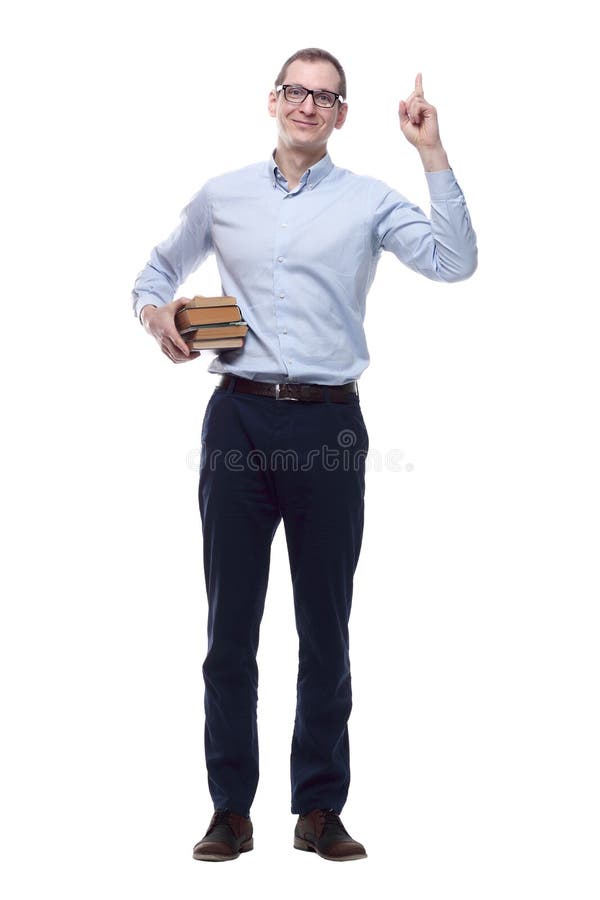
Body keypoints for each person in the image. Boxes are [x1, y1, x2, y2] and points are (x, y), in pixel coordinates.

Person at [131, 47, 477, 863]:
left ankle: (319, 807)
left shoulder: (367, 200)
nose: (309, 106)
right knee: (230, 629)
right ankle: (230, 810)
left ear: (343, 115)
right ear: (274, 99)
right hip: (238, 423)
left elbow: (455, 262)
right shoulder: (224, 196)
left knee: (326, 629)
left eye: (326, 97)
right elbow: (152, 274)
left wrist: (431, 153)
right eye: (297, 91)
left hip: (328, 428)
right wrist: (161, 317)